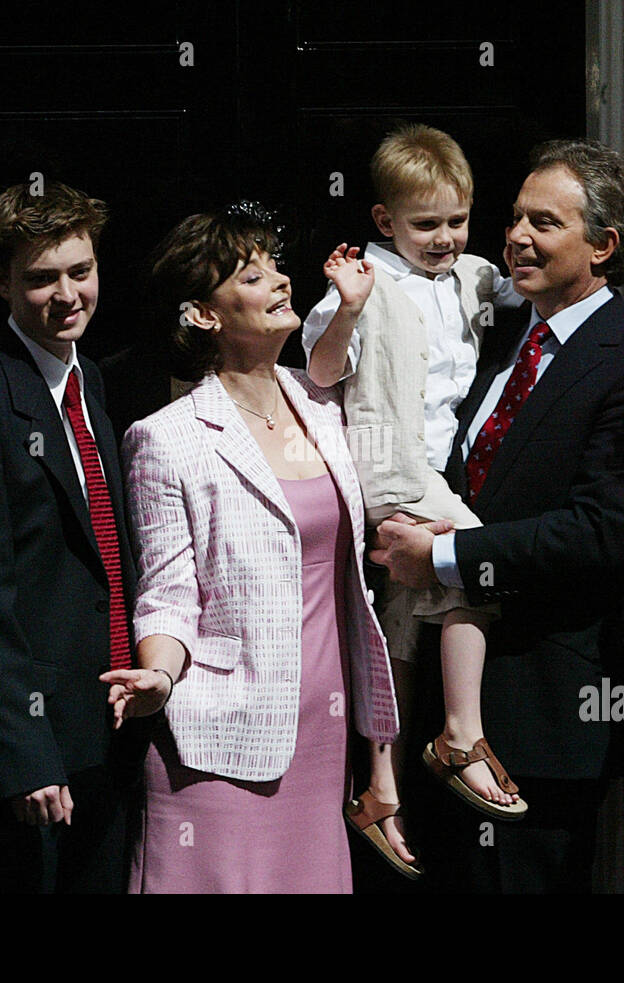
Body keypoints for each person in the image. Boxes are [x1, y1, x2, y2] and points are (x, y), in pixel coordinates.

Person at [372, 139, 624, 892]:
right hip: (443, 729)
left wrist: (441, 558)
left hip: (542, 722)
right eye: (513, 217)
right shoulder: (500, 336)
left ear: (604, 245)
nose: (515, 236)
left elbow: (599, 532)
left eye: (544, 222)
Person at [110, 203, 408, 892]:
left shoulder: (324, 409)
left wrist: (379, 757)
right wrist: (157, 674)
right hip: (220, 744)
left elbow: (350, 597)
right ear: (205, 314)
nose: (279, 281)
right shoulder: (167, 437)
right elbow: (168, 590)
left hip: (324, 737)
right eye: (251, 275)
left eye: (274, 266)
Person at [303, 123, 525, 823]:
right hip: (386, 464)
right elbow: (320, 369)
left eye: (457, 220)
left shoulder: (474, 273)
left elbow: (533, 289)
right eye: (425, 223)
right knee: (474, 557)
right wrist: (349, 305)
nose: (444, 237)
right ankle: (461, 733)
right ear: (383, 220)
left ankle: (381, 785)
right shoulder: (366, 281)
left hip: (436, 467)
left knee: (402, 618)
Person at [0, 180, 144, 892]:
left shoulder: (93, 386)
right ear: (0, 281)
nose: (67, 294)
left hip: (108, 729)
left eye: (80, 271)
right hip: (37, 753)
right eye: (42, 277)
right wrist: (24, 756)